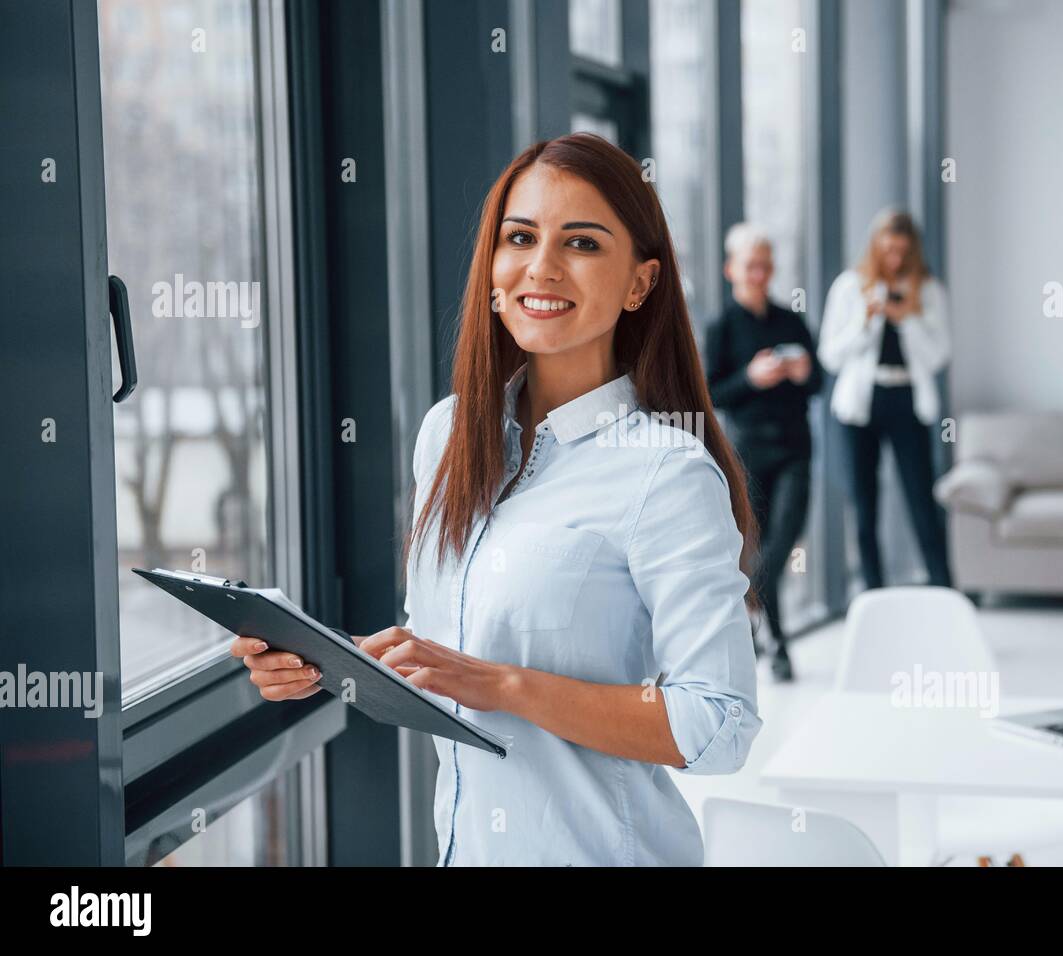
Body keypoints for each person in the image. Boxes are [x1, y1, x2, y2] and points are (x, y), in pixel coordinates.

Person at [230, 133, 763, 866]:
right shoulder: (447, 433)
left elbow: (720, 723)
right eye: (520, 237)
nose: (541, 267)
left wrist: (505, 685)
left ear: (640, 284)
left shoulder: (664, 473)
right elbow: (446, 654)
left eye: (581, 242)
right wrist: (328, 662)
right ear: (492, 266)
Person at [704, 223, 822, 682]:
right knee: (755, 545)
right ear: (731, 269)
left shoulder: (790, 319)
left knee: (780, 543)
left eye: (765, 264)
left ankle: (752, 622)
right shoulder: (722, 326)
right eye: (750, 265)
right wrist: (751, 379)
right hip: (748, 453)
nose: (759, 272)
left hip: (795, 448)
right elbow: (712, 392)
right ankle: (780, 643)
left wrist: (804, 371)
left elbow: (819, 384)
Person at [817, 207, 952, 590]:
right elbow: (830, 355)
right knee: (864, 502)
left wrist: (906, 317)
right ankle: (871, 591)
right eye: (888, 249)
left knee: (921, 498)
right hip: (860, 404)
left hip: (908, 399)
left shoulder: (928, 291)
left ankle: (944, 586)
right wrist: (866, 322)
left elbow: (939, 355)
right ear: (875, 247)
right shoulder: (849, 286)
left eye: (902, 251)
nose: (894, 258)